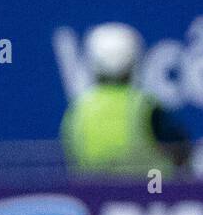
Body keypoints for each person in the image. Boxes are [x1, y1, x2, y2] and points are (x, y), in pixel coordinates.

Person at [60, 23, 191, 176]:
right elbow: (181, 150)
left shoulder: (78, 110)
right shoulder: (145, 106)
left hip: (94, 197)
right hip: (151, 194)